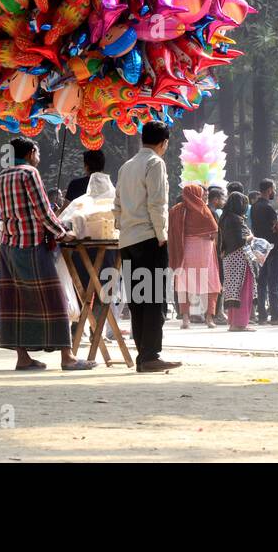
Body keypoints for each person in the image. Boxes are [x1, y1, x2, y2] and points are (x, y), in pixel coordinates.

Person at [0, 137, 91, 371]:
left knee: (16, 302)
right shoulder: (29, 173)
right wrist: (62, 233)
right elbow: (43, 212)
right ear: (30, 153)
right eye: (37, 153)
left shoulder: (1, 177)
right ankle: (67, 357)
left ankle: (23, 357)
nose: (38, 157)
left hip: (9, 246)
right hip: (32, 245)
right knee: (54, 300)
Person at [113, 121, 180, 373]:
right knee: (154, 299)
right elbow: (157, 202)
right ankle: (150, 355)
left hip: (128, 239)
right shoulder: (155, 163)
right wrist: (161, 234)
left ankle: (144, 355)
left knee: (138, 299)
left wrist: (122, 227)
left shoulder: (126, 166)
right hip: (149, 237)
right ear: (164, 143)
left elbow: (117, 204)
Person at [167, 183, 220, 328]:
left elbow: (171, 232)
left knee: (184, 285)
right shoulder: (203, 209)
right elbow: (214, 233)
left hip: (184, 252)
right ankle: (209, 319)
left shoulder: (176, 210)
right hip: (205, 253)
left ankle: (185, 319)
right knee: (211, 284)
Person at [252, 179, 278, 325]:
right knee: (274, 284)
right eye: (274, 188)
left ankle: (262, 315)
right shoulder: (268, 208)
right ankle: (276, 316)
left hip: (260, 250)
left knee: (261, 283)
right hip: (273, 250)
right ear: (269, 190)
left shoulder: (254, 207)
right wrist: (275, 229)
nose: (274, 191)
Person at [219, 192, 257, 332]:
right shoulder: (236, 219)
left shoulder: (224, 218)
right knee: (243, 290)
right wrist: (251, 237)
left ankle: (233, 322)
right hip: (240, 259)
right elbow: (240, 240)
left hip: (229, 258)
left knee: (233, 291)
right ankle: (240, 324)